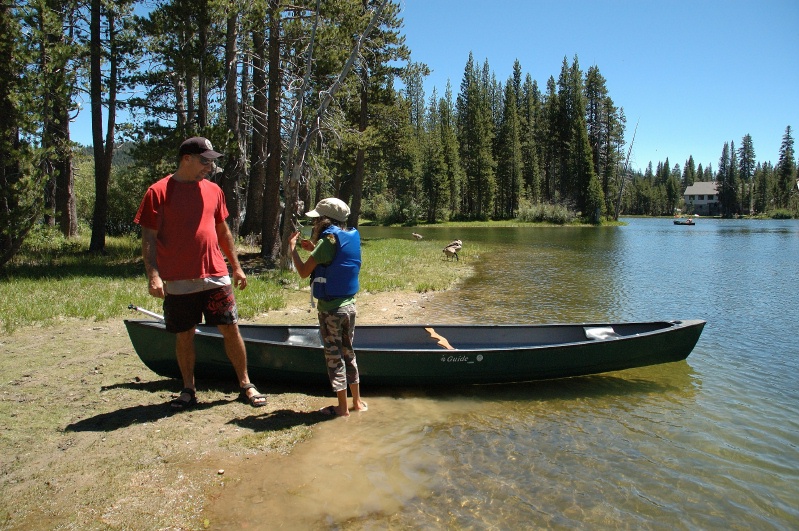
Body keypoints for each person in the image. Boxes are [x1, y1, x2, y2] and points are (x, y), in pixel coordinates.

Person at [133, 136, 267, 410]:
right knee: (185, 334)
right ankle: (188, 389)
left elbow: (222, 231)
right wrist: (153, 275)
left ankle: (246, 384)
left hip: (216, 274)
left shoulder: (213, 191)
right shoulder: (157, 192)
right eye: (205, 161)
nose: (210, 166)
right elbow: (149, 237)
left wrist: (237, 266)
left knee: (231, 328)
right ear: (187, 159)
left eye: (211, 161)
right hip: (179, 279)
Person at [289, 198, 368, 417]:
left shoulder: (328, 240)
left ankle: (342, 408)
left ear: (324, 220)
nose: (314, 225)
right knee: (348, 354)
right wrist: (313, 249)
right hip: (349, 307)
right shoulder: (347, 236)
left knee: (334, 358)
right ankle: (357, 403)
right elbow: (334, 259)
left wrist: (292, 250)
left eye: (316, 221)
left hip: (331, 310)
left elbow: (304, 271)